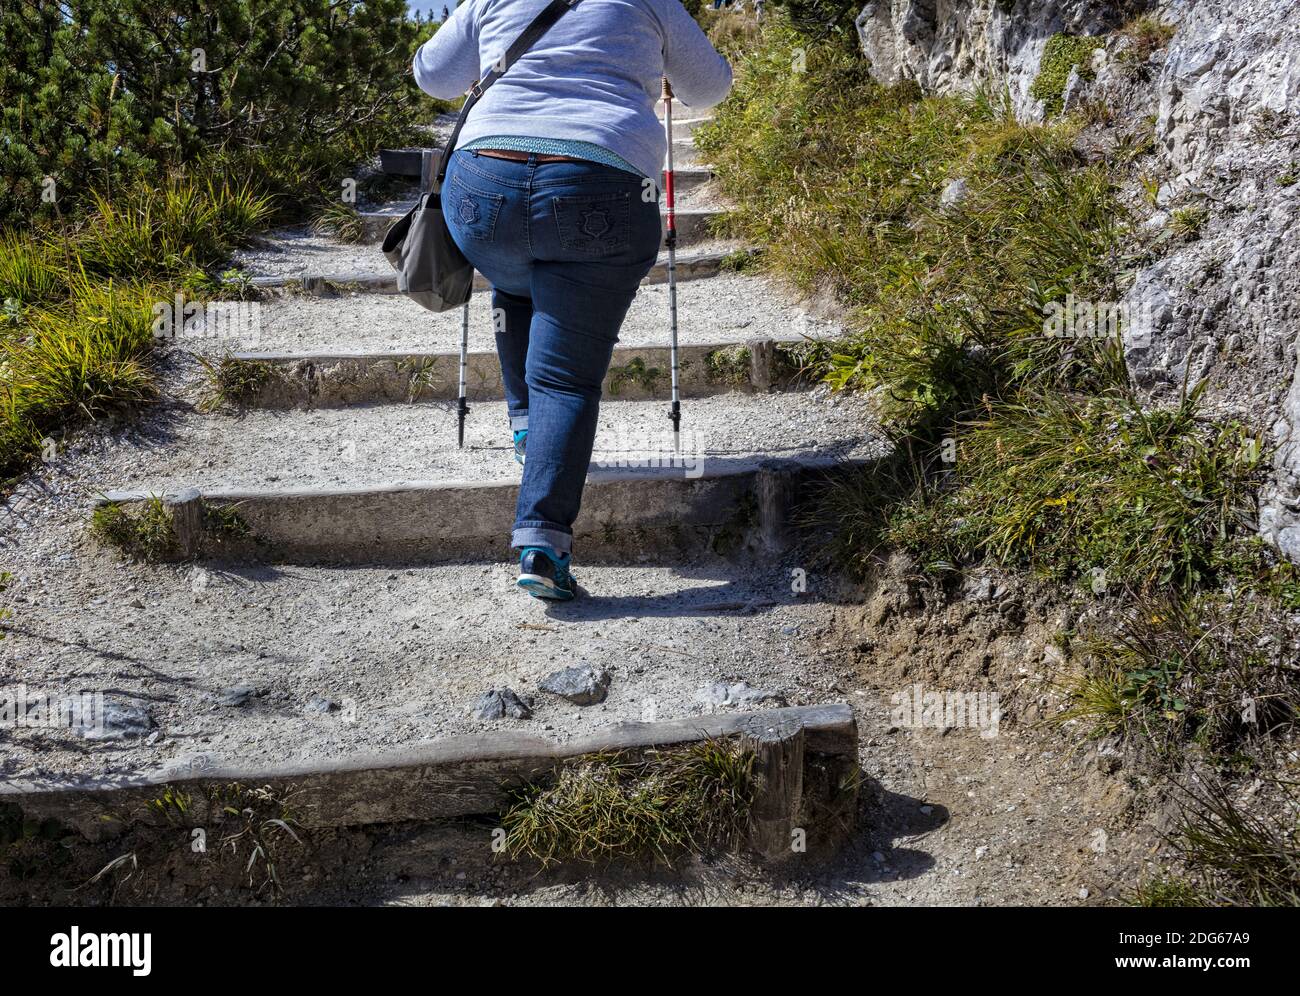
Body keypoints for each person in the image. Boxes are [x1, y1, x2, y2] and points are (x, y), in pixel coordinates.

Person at [413, 0, 731, 601]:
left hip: (485, 189)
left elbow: (431, 75)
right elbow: (710, 89)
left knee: (515, 278)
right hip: (601, 187)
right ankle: (542, 543)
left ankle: (529, 427)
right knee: (566, 378)